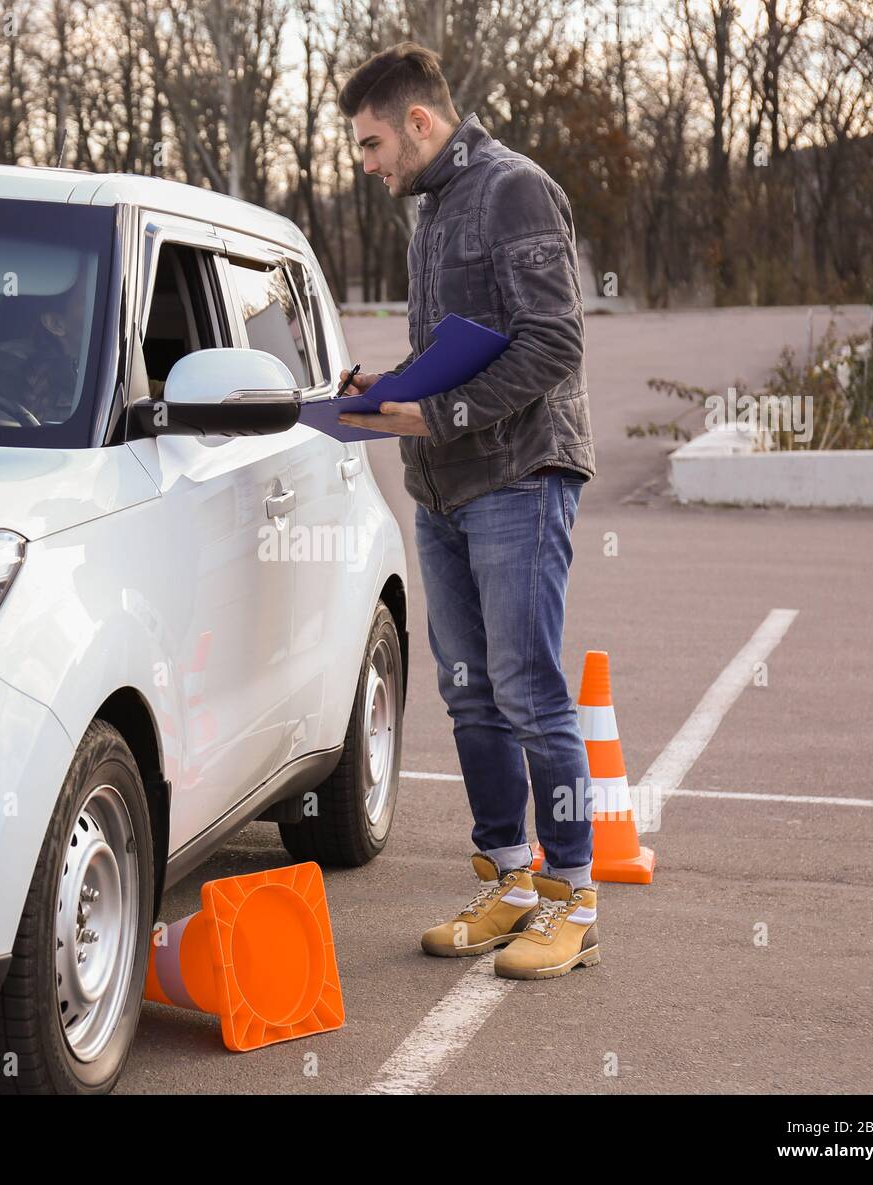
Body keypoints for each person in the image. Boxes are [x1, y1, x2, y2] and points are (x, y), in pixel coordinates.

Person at [334, 43, 600, 980]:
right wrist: (388, 386)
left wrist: (434, 409)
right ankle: (511, 881)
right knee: (468, 689)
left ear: (418, 122)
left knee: (528, 688)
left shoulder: (513, 189)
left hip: (519, 477)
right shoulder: (433, 206)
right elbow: (460, 349)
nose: (364, 163)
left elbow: (553, 343)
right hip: (442, 482)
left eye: (370, 143)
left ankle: (574, 897)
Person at [0, 273, 88, 422]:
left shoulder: (104, 373)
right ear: (55, 324)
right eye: (91, 300)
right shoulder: (0, 387)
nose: (107, 307)